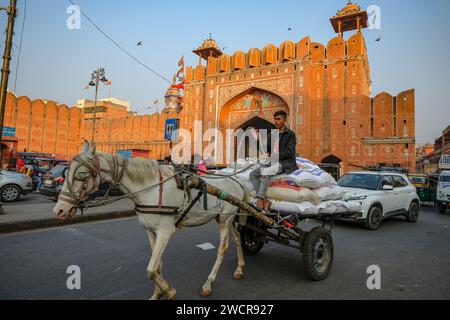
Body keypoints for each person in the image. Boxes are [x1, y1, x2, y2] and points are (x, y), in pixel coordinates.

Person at [250, 110, 297, 212]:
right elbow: (265, 149)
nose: (276, 121)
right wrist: (257, 139)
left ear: (285, 120)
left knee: (267, 172)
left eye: (278, 119)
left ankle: (260, 198)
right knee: (252, 174)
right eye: (275, 119)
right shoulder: (273, 134)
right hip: (273, 162)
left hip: (286, 163)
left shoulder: (290, 134)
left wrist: (274, 157)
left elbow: (289, 152)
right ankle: (265, 201)